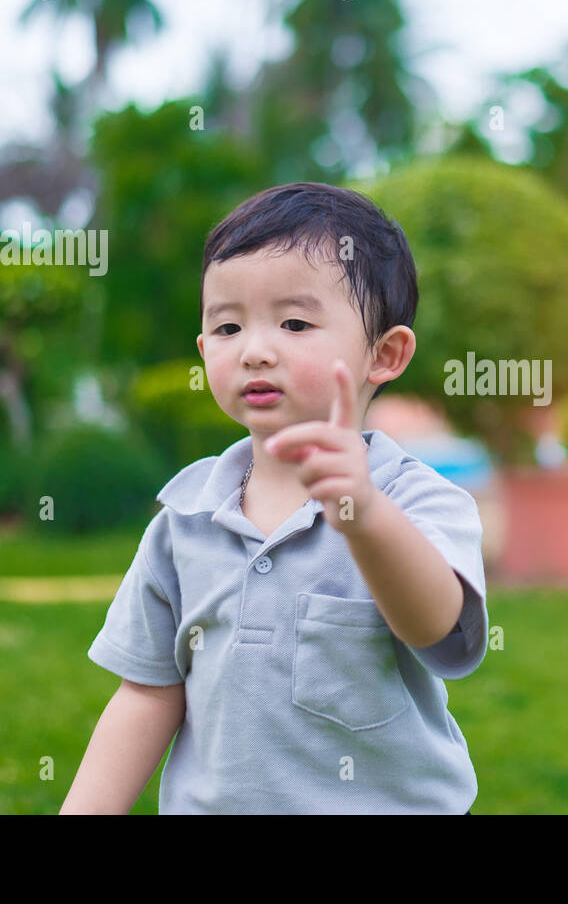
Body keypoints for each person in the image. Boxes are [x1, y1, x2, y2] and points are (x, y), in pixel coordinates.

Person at [60, 183, 487, 814]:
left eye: (294, 323)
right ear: (206, 352)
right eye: (228, 326)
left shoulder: (415, 498)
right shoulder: (186, 520)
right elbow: (148, 694)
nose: (256, 350)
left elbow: (437, 629)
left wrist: (362, 514)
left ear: (385, 353)